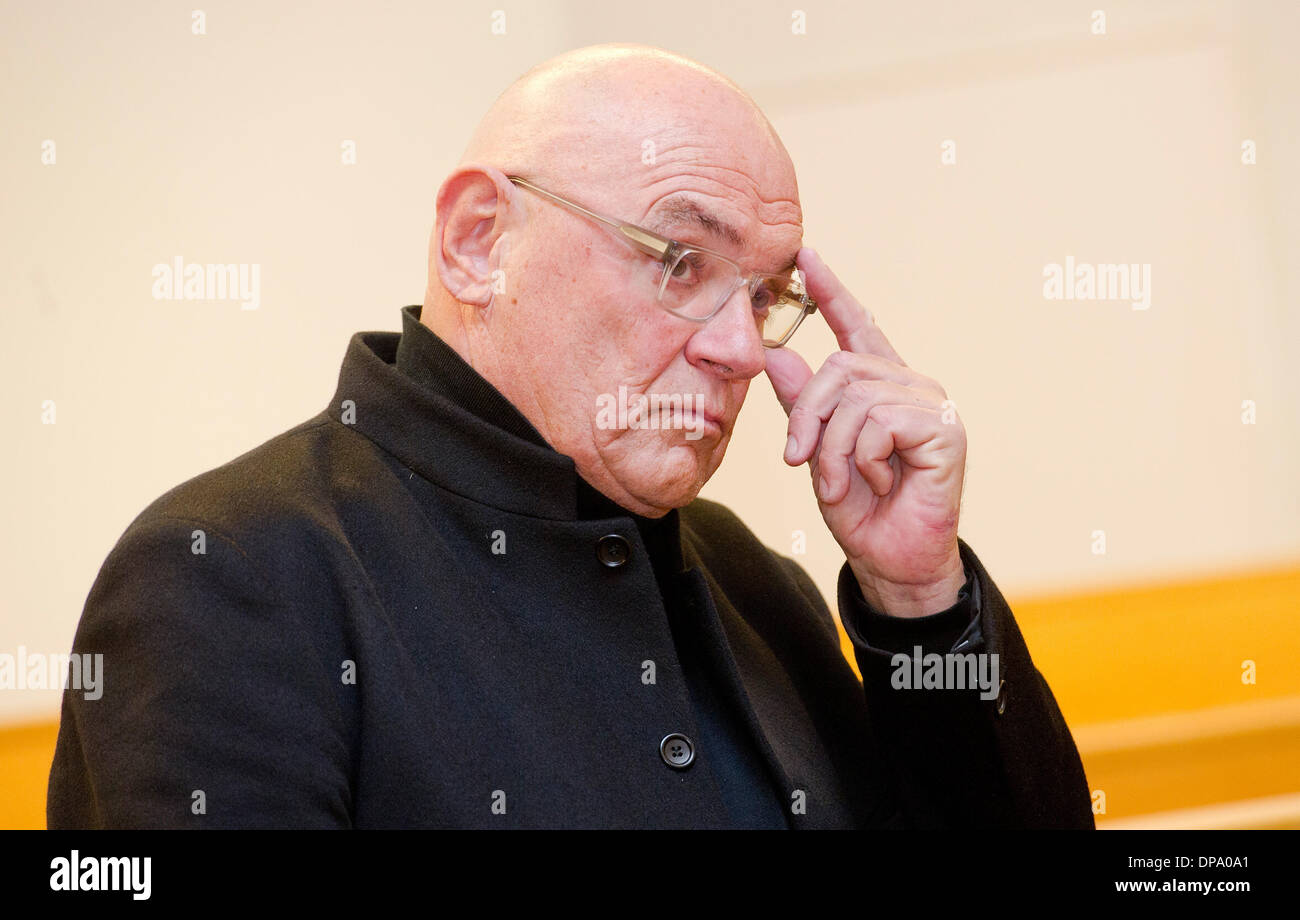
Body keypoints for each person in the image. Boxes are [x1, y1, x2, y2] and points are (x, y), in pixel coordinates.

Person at [48, 43, 1093, 829]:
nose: (739, 347)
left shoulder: (748, 575)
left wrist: (917, 597)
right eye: (680, 259)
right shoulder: (230, 574)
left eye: (768, 294)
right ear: (477, 243)